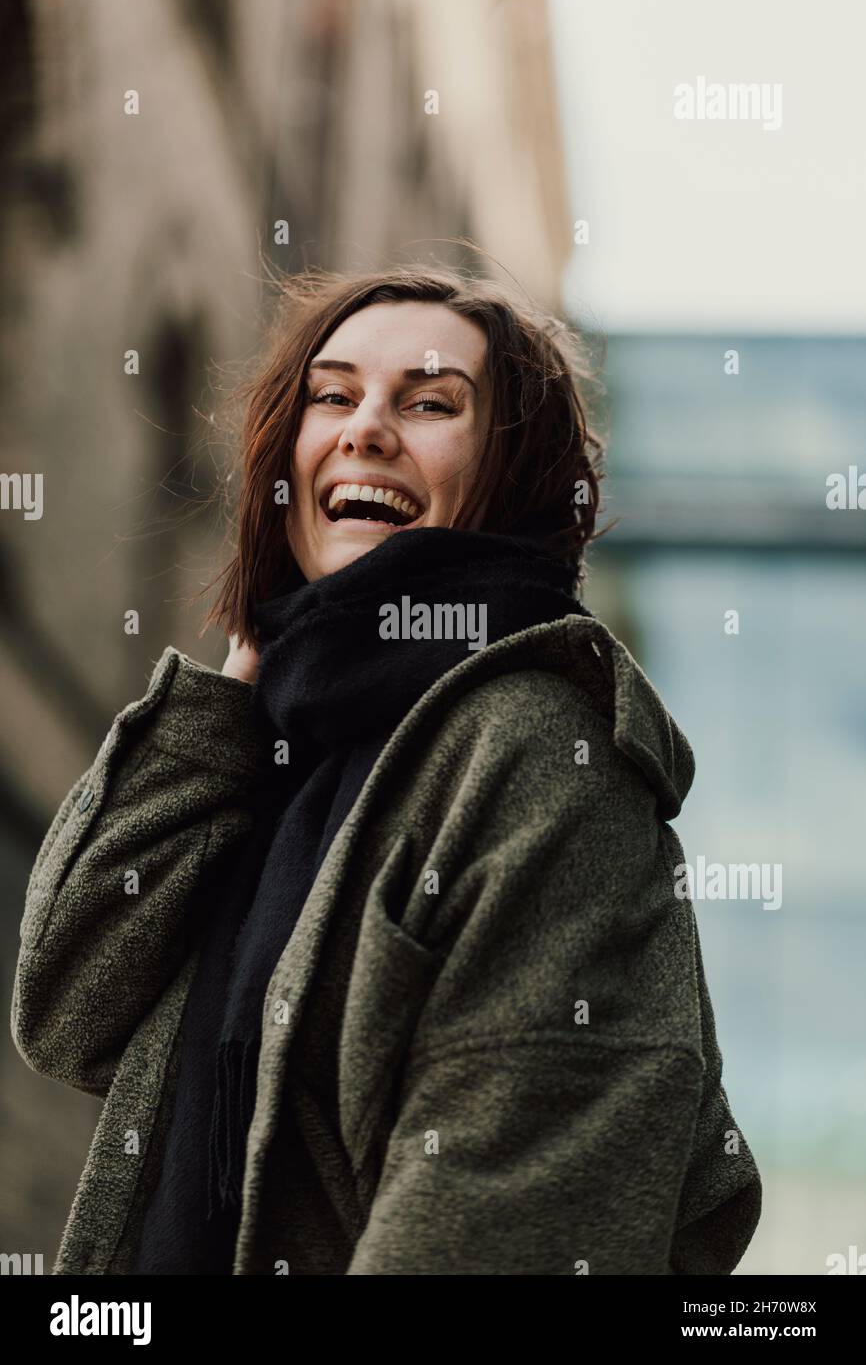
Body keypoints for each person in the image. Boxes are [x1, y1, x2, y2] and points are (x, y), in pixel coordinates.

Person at [11, 265, 762, 1275]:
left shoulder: (539, 755)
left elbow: (492, 1224)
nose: (363, 427)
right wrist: (223, 707)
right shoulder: (277, 750)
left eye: (427, 402)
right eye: (332, 395)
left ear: (515, 476)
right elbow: (67, 1012)